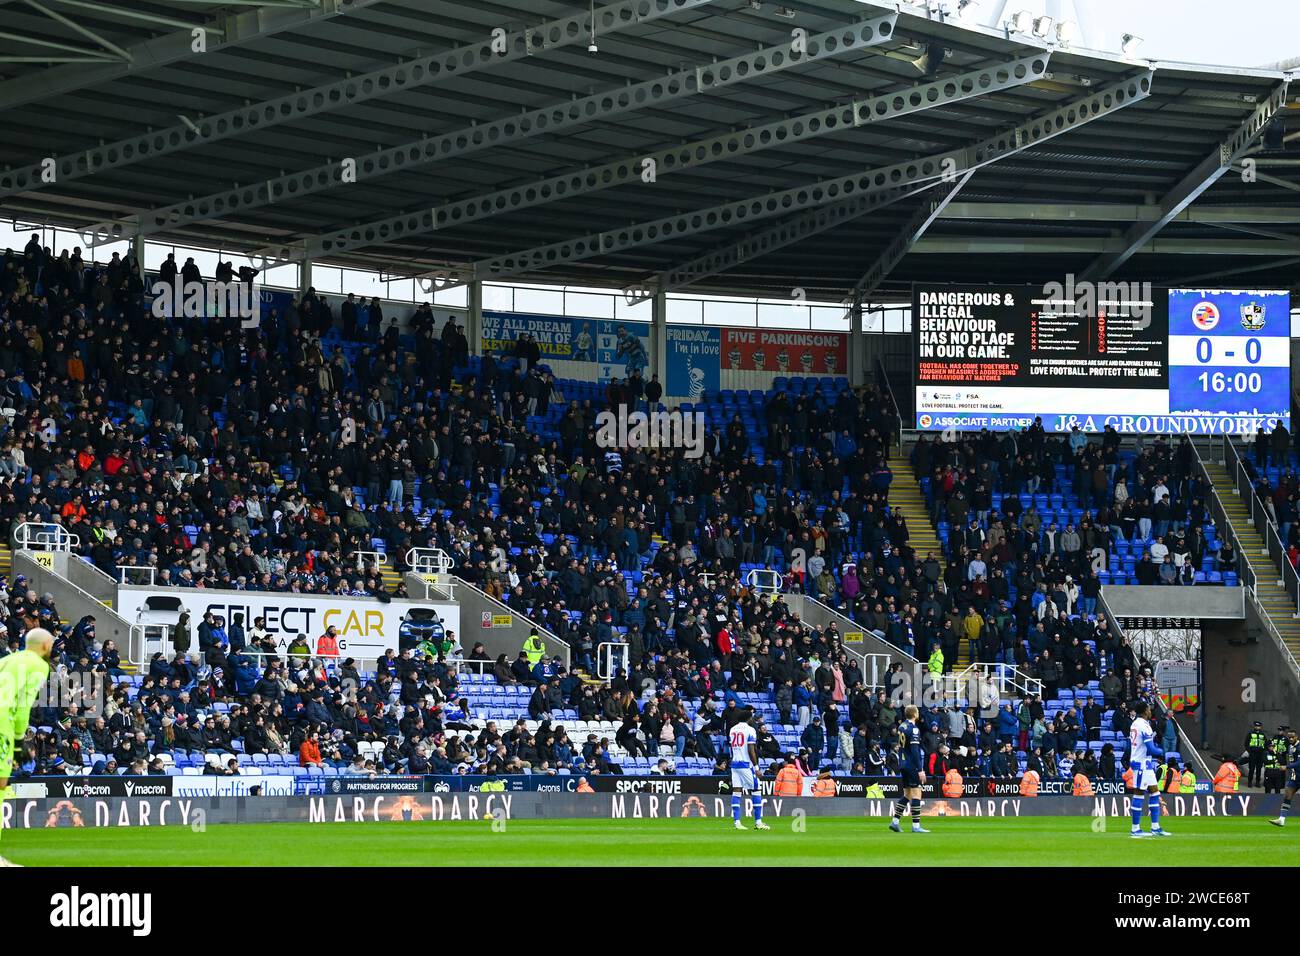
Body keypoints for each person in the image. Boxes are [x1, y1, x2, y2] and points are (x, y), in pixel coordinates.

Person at [0, 627, 54, 866]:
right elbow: (22, 706)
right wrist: (20, 740)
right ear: (44, 646)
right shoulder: (39, 665)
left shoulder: (8, 659)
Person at [1128, 700, 1170, 838]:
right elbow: (1151, 749)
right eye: (1149, 709)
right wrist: (1161, 751)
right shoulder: (1143, 726)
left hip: (1145, 763)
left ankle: (1155, 827)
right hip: (1141, 764)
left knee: (1155, 793)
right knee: (1139, 794)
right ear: (1145, 711)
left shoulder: (1135, 723)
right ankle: (1135, 829)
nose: (1150, 711)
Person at [889, 704, 930, 834]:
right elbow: (915, 751)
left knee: (907, 794)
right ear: (914, 714)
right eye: (917, 712)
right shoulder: (914, 729)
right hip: (911, 765)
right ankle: (916, 826)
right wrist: (920, 769)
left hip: (902, 764)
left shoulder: (902, 726)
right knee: (917, 794)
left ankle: (895, 822)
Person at [728, 706, 769, 831]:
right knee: (756, 789)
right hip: (745, 764)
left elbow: (732, 747)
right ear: (748, 718)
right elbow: (751, 749)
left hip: (734, 763)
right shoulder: (750, 730)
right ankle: (758, 822)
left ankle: (737, 822)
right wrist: (756, 767)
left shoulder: (732, 730)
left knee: (736, 791)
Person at [1268, 729, 1299, 827]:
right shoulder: (1290, 747)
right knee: (1287, 795)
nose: (1290, 739)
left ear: (1296, 737)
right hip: (1295, 776)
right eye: (1289, 737)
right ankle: (1281, 819)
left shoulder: (1299, 747)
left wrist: (1287, 767)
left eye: (1292, 737)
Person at [1245, 720, 1268, 789]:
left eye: (1258, 726)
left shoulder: (1263, 735)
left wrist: (1264, 752)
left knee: (1259, 769)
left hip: (1260, 754)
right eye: (1256, 726)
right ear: (1254, 726)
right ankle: (1249, 782)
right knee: (1251, 769)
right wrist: (1250, 751)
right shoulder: (1250, 734)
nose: (1257, 727)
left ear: (1260, 727)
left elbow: (1266, 744)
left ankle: (1257, 782)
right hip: (1253, 754)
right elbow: (1246, 743)